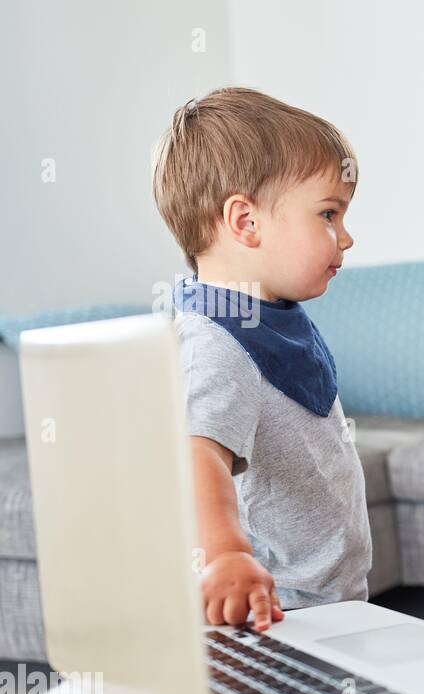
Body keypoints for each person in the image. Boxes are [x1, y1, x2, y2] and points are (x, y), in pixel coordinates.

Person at [152, 88, 367, 630]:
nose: (346, 237)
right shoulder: (215, 343)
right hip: (273, 615)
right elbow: (196, 454)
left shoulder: (271, 317)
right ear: (246, 222)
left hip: (325, 604)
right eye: (328, 214)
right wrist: (226, 555)